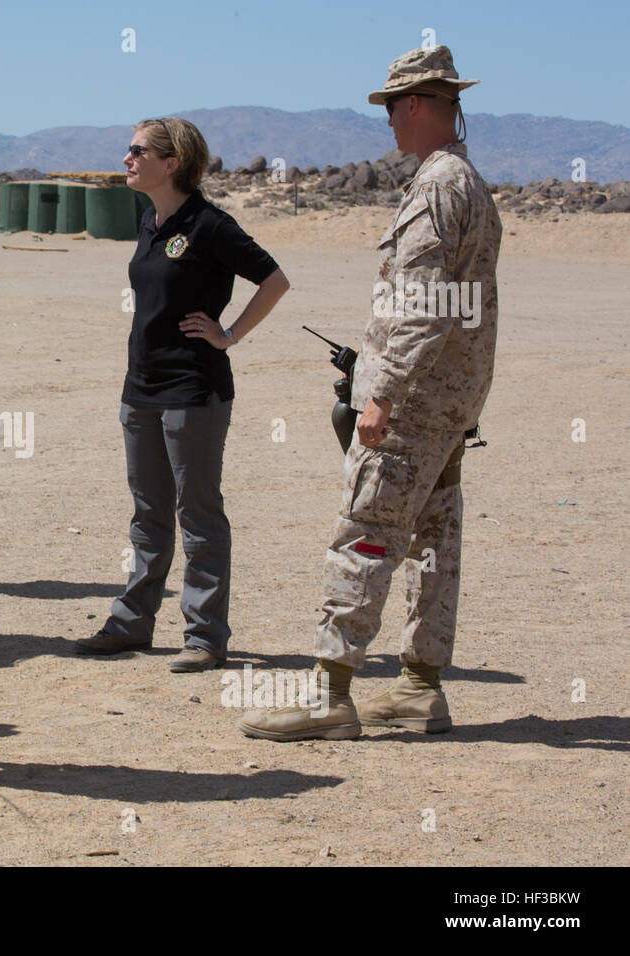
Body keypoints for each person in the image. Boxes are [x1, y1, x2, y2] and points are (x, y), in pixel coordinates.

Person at [239, 45, 500, 740]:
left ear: (415, 104)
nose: (386, 122)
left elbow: (420, 303)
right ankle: (420, 686)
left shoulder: (439, 187)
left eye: (390, 108)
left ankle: (331, 694)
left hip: (415, 403)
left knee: (366, 533)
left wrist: (379, 394)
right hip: (450, 398)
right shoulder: (464, 180)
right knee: (433, 542)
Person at [75, 117, 290, 673]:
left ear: (171, 163)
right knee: (148, 514)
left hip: (194, 390)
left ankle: (204, 636)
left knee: (197, 513)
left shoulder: (209, 225)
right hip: (140, 387)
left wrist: (230, 334)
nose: (126, 158)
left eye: (137, 150)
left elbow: (274, 280)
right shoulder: (150, 220)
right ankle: (131, 625)